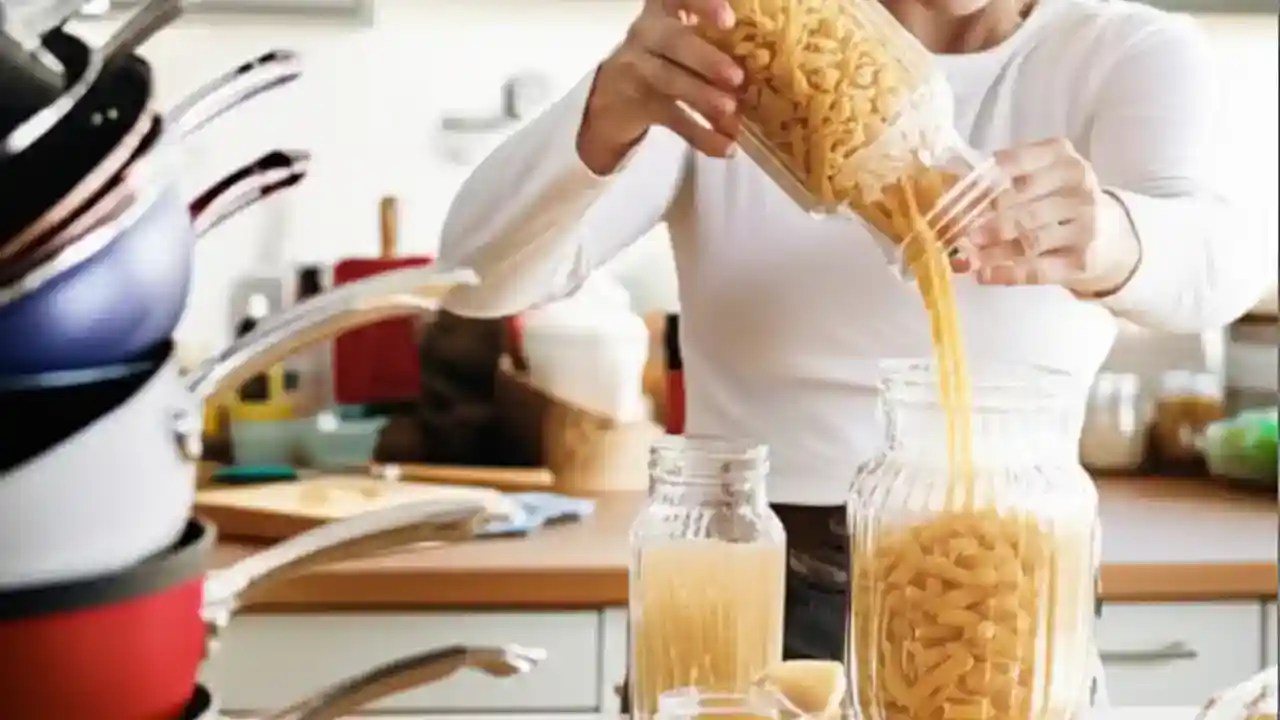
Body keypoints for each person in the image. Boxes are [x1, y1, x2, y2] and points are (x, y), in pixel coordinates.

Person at [439, 0, 1270, 686]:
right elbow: (476, 279)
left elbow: (1220, 267)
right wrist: (608, 110)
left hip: (999, 574)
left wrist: (1114, 235)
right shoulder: (748, 38)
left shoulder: (1123, 52)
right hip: (745, 570)